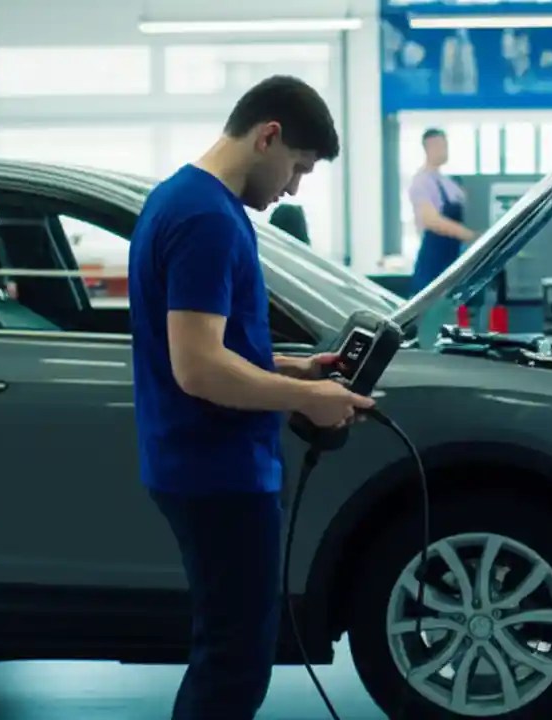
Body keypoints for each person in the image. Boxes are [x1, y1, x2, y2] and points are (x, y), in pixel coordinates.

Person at [127, 75, 374, 720]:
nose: (294, 188)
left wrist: (296, 369)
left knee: (229, 652)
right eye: (298, 167)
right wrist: (305, 400)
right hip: (217, 469)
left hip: (200, 461)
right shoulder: (206, 218)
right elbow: (200, 368)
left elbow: (208, 339)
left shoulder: (182, 199)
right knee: (233, 666)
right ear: (269, 136)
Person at [409, 128, 479, 347]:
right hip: (433, 264)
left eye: (446, 145)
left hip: (452, 260)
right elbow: (432, 220)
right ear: (428, 147)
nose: (444, 150)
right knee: (431, 326)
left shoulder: (448, 183)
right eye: (440, 145)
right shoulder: (421, 182)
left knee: (452, 324)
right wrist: (472, 236)